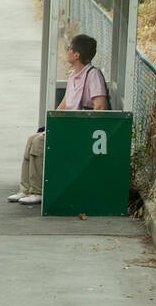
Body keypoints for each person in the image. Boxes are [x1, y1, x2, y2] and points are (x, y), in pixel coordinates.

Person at [9, 34, 108, 205]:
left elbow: (100, 106)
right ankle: (25, 188)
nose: (67, 51)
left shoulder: (93, 75)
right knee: (32, 139)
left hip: (80, 128)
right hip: (66, 125)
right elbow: (65, 103)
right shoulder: (73, 76)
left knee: (40, 143)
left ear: (76, 55)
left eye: (70, 49)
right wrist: (53, 122)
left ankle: (37, 190)